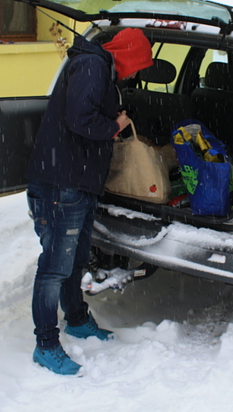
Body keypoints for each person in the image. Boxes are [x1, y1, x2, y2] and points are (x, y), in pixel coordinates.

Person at [25, 28, 154, 375]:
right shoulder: (92, 67)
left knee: (76, 259)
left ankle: (78, 320)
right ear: (129, 55)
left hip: (76, 183)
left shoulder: (100, 69)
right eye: (138, 65)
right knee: (54, 269)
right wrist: (115, 123)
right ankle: (46, 345)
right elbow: (80, 119)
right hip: (60, 184)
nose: (134, 74)